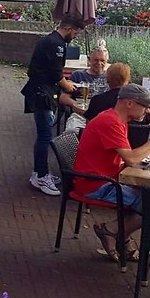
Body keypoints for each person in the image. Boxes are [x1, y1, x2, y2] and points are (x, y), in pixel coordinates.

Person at [74, 83, 150, 264]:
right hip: (95, 184)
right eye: (144, 105)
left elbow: (128, 158)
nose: (148, 110)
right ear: (129, 103)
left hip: (103, 178)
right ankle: (113, 231)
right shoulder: (111, 122)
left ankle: (118, 234)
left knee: (148, 197)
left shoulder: (116, 120)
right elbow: (130, 159)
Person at [21, 15, 85, 196]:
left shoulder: (50, 41)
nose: (75, 37)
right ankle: (41, 176)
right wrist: (71, 87)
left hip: (41, 91)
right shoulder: (56, 45)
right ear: (70, 28)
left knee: (45, 135)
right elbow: (57, 75)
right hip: (43, 94)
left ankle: (39, 171)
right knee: (44, 136)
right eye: (76, 33)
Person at [58, 45, 109, 115]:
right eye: (96, 60)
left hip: (103, 115)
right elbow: (63, 98)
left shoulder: (110, 77)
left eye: (102, 60)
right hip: (81, 113)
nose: (99, 63)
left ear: (107, 61)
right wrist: (75, 104)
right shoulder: (77, 75)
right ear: (89, 60)